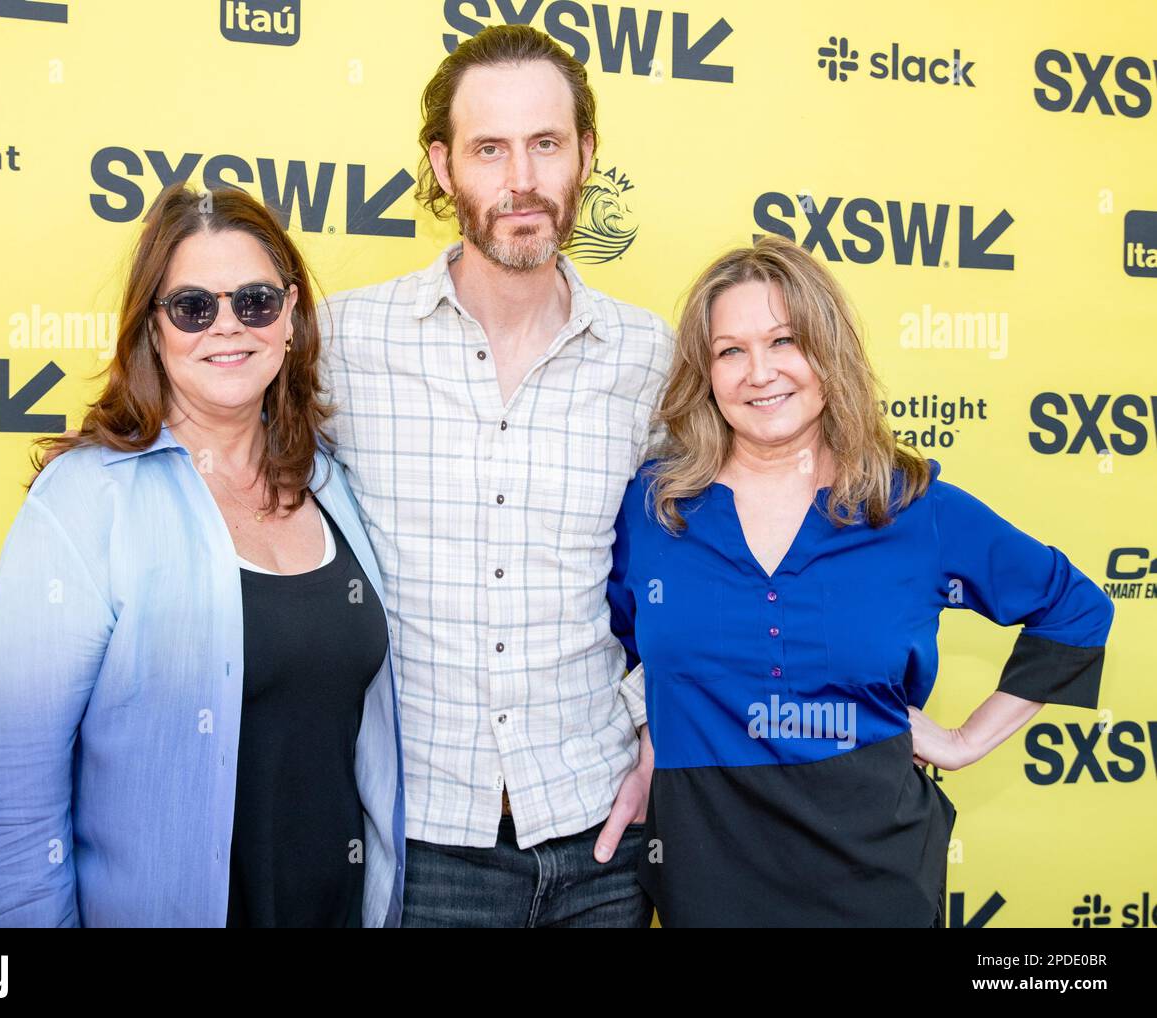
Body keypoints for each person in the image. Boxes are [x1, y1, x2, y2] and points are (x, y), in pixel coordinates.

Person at [607, 234, 1115, 927]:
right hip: (707, 879)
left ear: (828, 351)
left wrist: (965, 742)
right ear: (706, 372)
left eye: (784, 341)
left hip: (876, 882)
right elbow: (627, 646)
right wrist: (647, 746)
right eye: (731, 350)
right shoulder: (655, 509)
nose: (759, 372)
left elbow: (1074, 610)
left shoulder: (911, 505)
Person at [0, 183, 404, 927]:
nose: (227, 327)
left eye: (254, 301)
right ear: (152, 329)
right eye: (193, 307)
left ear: (290, 315)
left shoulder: (334, 483)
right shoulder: (86, 499)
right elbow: (14, 810)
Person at [317, 24, 672, 926]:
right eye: (489, 148)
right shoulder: (343, 343)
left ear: (586, 154)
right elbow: (222, 433)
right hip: (428, 843)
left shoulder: (651, 357)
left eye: (546, 143)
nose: (522, 178)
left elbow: (703, 563)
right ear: (442, 166)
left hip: (605, 837)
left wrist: (653, 728)